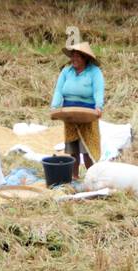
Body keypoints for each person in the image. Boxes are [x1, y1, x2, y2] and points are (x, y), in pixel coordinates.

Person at [50, 42, 104, 181]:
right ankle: (74, 176)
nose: (74, 59)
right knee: (72, 146)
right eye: (72, 56)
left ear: (85, 58)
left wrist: (99, 106)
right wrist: (54, 107)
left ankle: (92, 177)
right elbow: (58, 90)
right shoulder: (66, 71)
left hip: (87, 114)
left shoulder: (94, 72)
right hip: (69, 113)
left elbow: (98, 90)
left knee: (87, 148)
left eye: (77, 56)